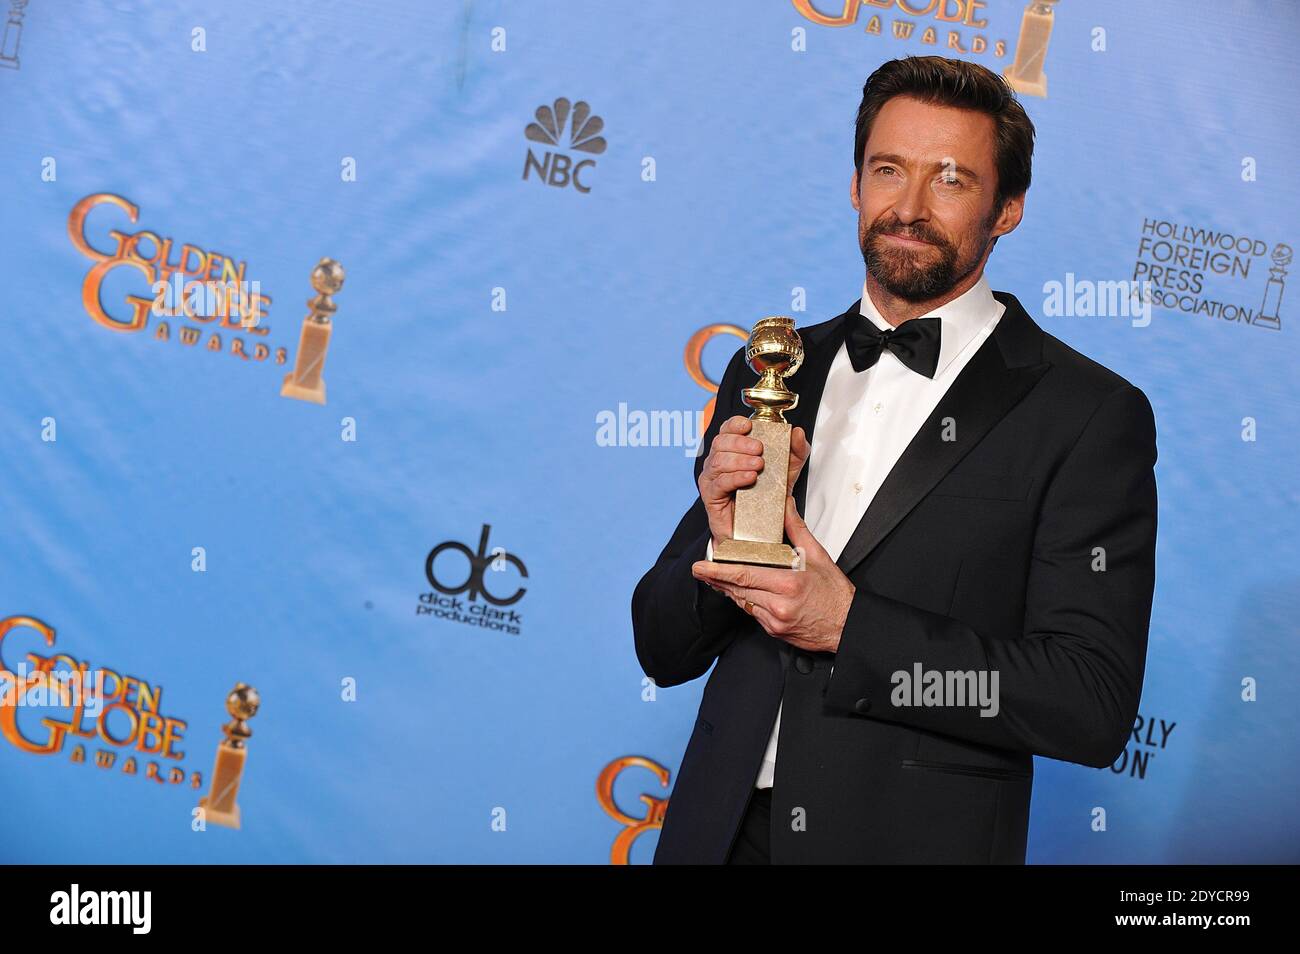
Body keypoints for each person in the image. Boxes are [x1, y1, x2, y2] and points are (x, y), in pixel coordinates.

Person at [631, 55, 1158, 864]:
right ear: (854, 184)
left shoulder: (1085, 415)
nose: (907, 208)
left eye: (950, 180)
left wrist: (850, 627)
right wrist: (717, 539)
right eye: (888, 170)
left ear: (1008, 208)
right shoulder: (771, 371)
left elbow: (1087, 704)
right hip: (715, 833)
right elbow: (662, 648)